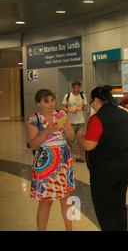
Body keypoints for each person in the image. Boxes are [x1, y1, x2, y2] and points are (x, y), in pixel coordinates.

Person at [76, 86, 128, 231]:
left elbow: (89, 146)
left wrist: (79, 139)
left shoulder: (97, 118)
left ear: (95, 100)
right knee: (119, 205)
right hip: (124, 167)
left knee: (105, 209)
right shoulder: (124, 114)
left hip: (104, 172)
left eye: (91, 102)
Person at [27, 89, 75, 231]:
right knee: (45, 202)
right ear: (38, 103)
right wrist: (47, 131)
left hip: (63, 159)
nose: (50, 104)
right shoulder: (34, 119)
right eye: (46, 101)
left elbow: (71, 137)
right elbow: (33, 144)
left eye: (52, 100)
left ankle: (69, 229)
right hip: (45, 162)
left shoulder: (61, 115)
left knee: (66, 198)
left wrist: (67, 129)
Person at [62, 80, 88, 162]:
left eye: (79, 87)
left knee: (79, 140)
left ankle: (78, 156)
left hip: (80, 121)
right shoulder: (68, 96)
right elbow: (63, 107)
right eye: (76, 87)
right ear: (73, 88)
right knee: (70, 140)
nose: (78, 89)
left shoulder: (82, 95)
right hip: (71, 121)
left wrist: (81, 108)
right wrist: (70, 110)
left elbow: (86, 107)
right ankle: (68, 156)